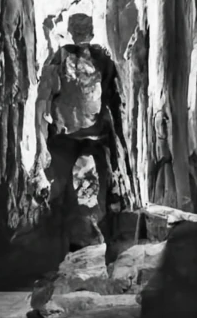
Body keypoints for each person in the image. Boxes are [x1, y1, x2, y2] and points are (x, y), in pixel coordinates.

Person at [34, 12, 133, 230]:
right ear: (92, 31)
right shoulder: (102, 59)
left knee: (59, 187)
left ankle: (59, 230)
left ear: (70, 33)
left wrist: (42, 141)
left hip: (65, 135)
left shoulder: (59, 58)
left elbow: (43, 100)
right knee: (107, 185)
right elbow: (115, 101)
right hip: (95, 134)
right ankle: (111, 221)